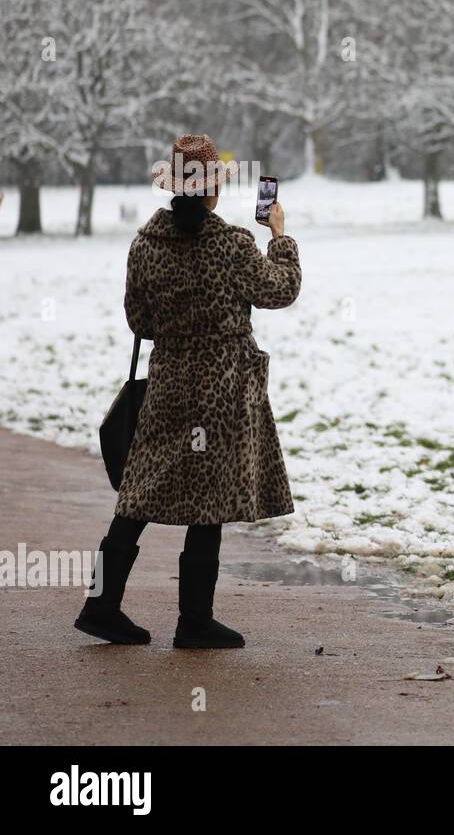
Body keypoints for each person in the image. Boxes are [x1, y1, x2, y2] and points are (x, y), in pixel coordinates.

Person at [75, 134, 301, 649]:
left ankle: (101, 606)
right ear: (214, 192)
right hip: (223, 387)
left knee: (136, 497)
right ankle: (194, 621)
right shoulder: (235, 245)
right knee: (211, 499)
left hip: (170, 385)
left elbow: (140, 320)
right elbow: (280, 291)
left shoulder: (145, 246)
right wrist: (281, 235)